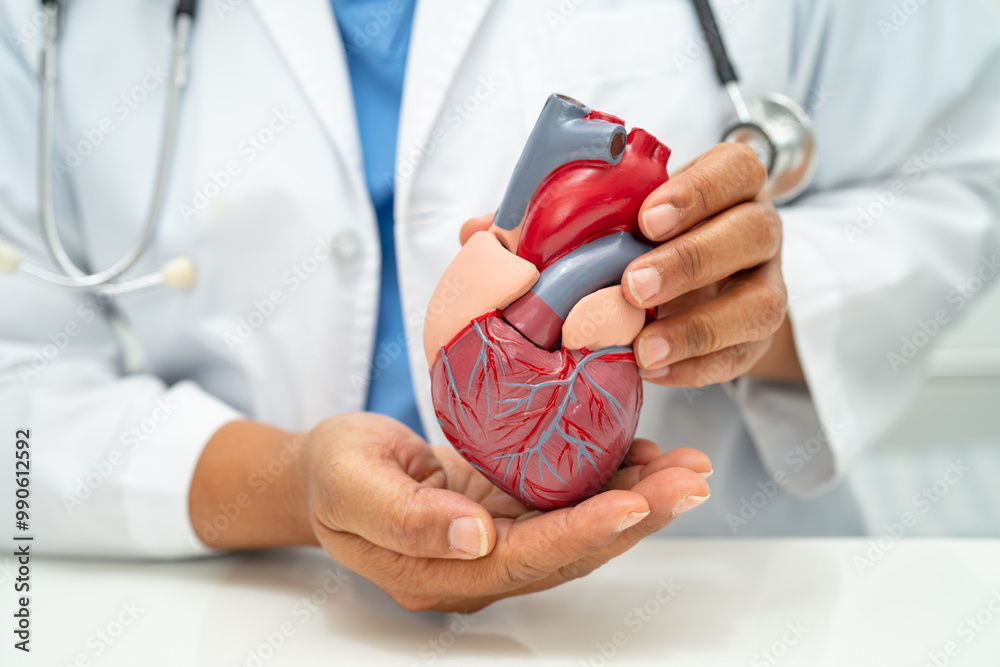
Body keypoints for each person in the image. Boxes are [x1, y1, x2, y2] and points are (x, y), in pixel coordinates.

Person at [1, 0, 998, 613]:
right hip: (236, 611)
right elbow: (19, 388)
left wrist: (750, 305)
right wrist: (286, 486)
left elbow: (959, 180)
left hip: (703, 607)